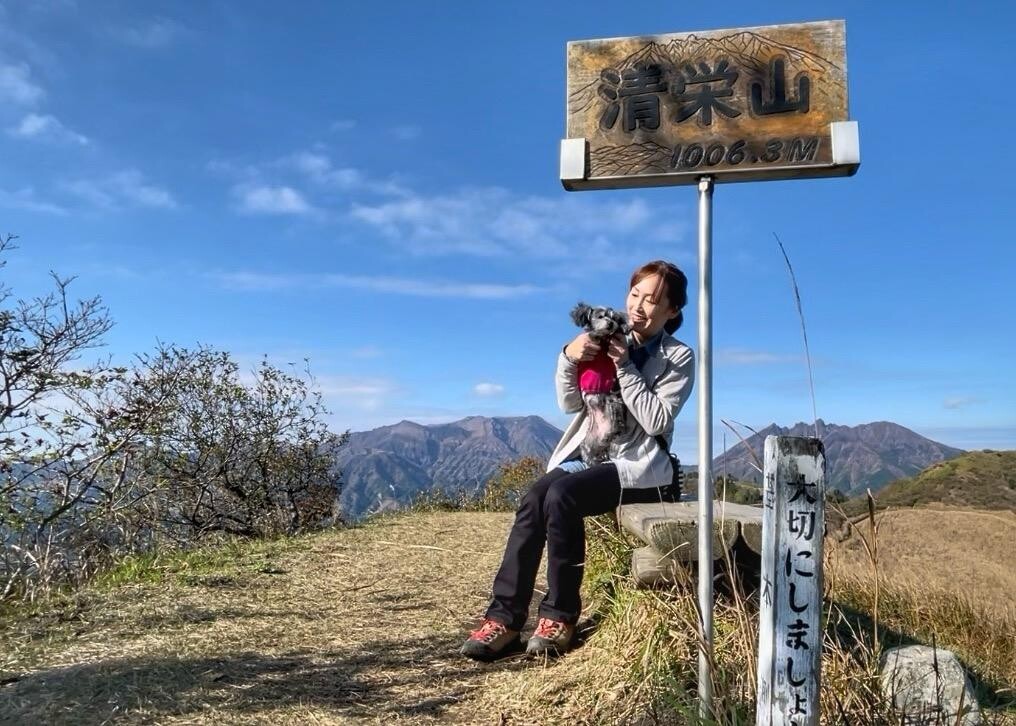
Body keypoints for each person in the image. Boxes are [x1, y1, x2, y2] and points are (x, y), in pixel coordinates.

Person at [460, 260, 695, 661]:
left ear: (672, 311)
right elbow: (571, 403)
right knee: (536, 496)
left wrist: (623, 366)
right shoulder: (607, 336)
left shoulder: (678, 357)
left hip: (640, 467)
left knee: (562, 495)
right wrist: (569, 357)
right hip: (591, 456)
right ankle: (505, 618)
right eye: (634, 295)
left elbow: (656, 419)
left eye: (652, 300)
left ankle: (559, 616)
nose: (639, 307)